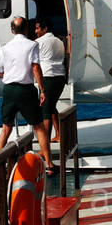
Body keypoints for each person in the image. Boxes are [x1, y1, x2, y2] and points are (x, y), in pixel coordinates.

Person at [0, 16, 56, 174]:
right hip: (26, 90)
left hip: (9, 90)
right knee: (39, 127)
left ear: (12, 30)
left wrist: (6, 77)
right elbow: (35, 68)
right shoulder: (32, 45)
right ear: (27, 29)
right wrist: (42, 90)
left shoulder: (4, 48)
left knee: (6, 129)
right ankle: (49, 165)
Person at [34, 18, 67, 150]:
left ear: (45, 29)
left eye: (37, 28)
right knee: (51, 106)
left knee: (45, 109)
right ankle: (58, 134)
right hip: (60, 78)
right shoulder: (59, 41)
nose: (35, 31)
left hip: (48, 77)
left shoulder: (38, 42)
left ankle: (45, 145)